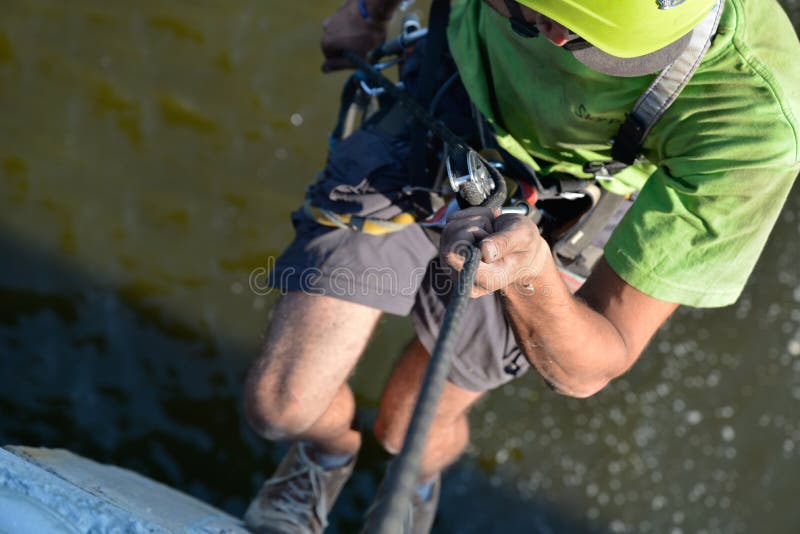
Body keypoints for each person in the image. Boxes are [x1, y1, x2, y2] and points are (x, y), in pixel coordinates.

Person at [242, 0, 800, 532]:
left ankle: (415, 473)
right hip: (443, 105)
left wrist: (532, 276)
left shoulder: (751, 119)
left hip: (574, 206)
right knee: (282, 406)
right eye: (538, 16)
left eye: (594, 37)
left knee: (407, 428)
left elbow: (595, 362)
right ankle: (325, 449)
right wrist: (368, 13)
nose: (557, 38)